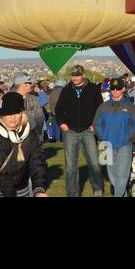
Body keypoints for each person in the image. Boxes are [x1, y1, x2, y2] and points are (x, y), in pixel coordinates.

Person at [0, 91, 48, 197]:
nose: (12, 118)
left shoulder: (30, 135)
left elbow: (38, 164)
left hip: (21, 191)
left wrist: (39, 190)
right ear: (1, 114)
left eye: (16, 113)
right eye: (8, 114)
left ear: (22, 113)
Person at [54, 65, 104, 196]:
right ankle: (72, 192)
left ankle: (98, 189)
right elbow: (58, 110)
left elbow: (100, 109)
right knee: (70, 166)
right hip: (70, 131)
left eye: (77, 75)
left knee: (94, 163)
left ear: (83, 75)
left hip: (88, 130)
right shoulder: (66, 90)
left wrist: (95, 124)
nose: (75, 78)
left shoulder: (93, 89)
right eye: (73, 75)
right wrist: (61, 124)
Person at [94, 79, 135, 196]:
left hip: (124, 145)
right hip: (106, 145)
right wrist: (103, 137)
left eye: (118, 88)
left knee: (122, 175)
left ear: (123, 89)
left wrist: (128, 137)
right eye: (113, 89)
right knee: (112, 176)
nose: (115, 91)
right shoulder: (103, 107)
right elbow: (96, 124)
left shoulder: (131, 107)